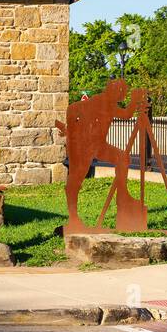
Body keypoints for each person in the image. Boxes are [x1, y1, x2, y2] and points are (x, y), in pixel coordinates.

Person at [56, 79, 146, 230]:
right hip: (84, 146)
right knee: (76, 180)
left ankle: (123, 196)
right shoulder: (102, 102)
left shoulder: (107, 103)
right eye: (123, 92)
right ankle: (73, 217)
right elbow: (126, 114)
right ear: (115, 91)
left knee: (122, 158)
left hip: (98, 144)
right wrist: (71, 131)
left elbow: (125, 114)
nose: (124, 95)